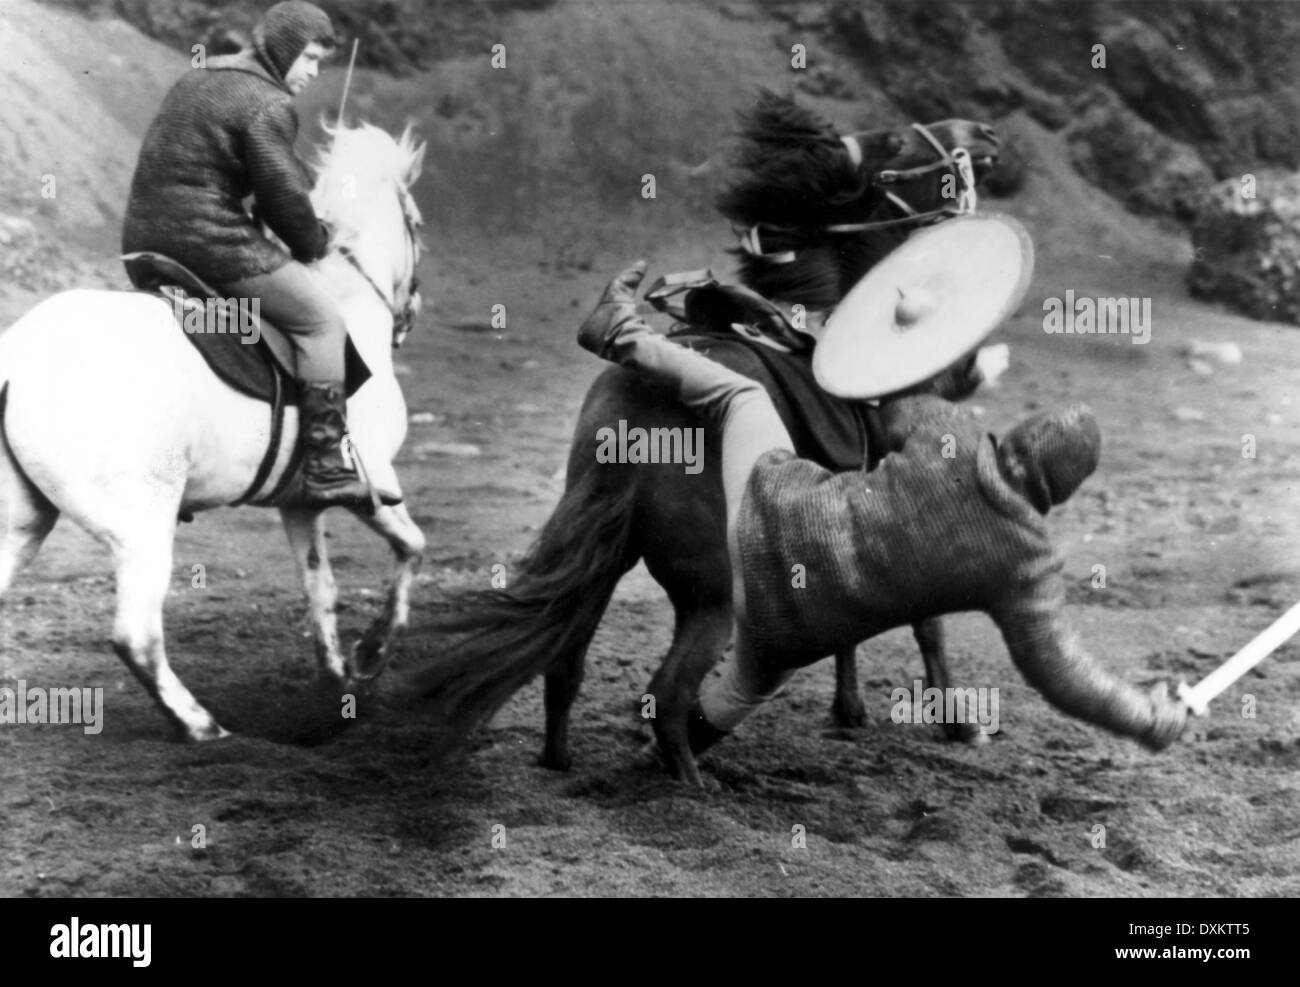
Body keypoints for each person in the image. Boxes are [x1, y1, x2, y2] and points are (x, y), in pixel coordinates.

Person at [577, 262, 1188, 778]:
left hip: (769, 525)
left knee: (742, 398)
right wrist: (1145, 717)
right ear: (1062, 494)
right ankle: (673, 749)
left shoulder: (951, 431)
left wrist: (917, 326)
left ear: (1018, 437)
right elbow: (1066, 674)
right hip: (799, 630)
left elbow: (886, 398)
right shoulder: (1027, 564)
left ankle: (620, 333)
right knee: (749, 686)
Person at [123, 1, 391, 508]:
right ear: (283, 49)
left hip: (142, 238)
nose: (313, 73)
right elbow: (283, 195)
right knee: (321, 321)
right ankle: (327, 467)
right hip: (209, 243)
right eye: (309, 58)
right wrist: (313, 240)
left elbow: (260, 167)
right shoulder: (267, 103)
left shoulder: (199, 75)